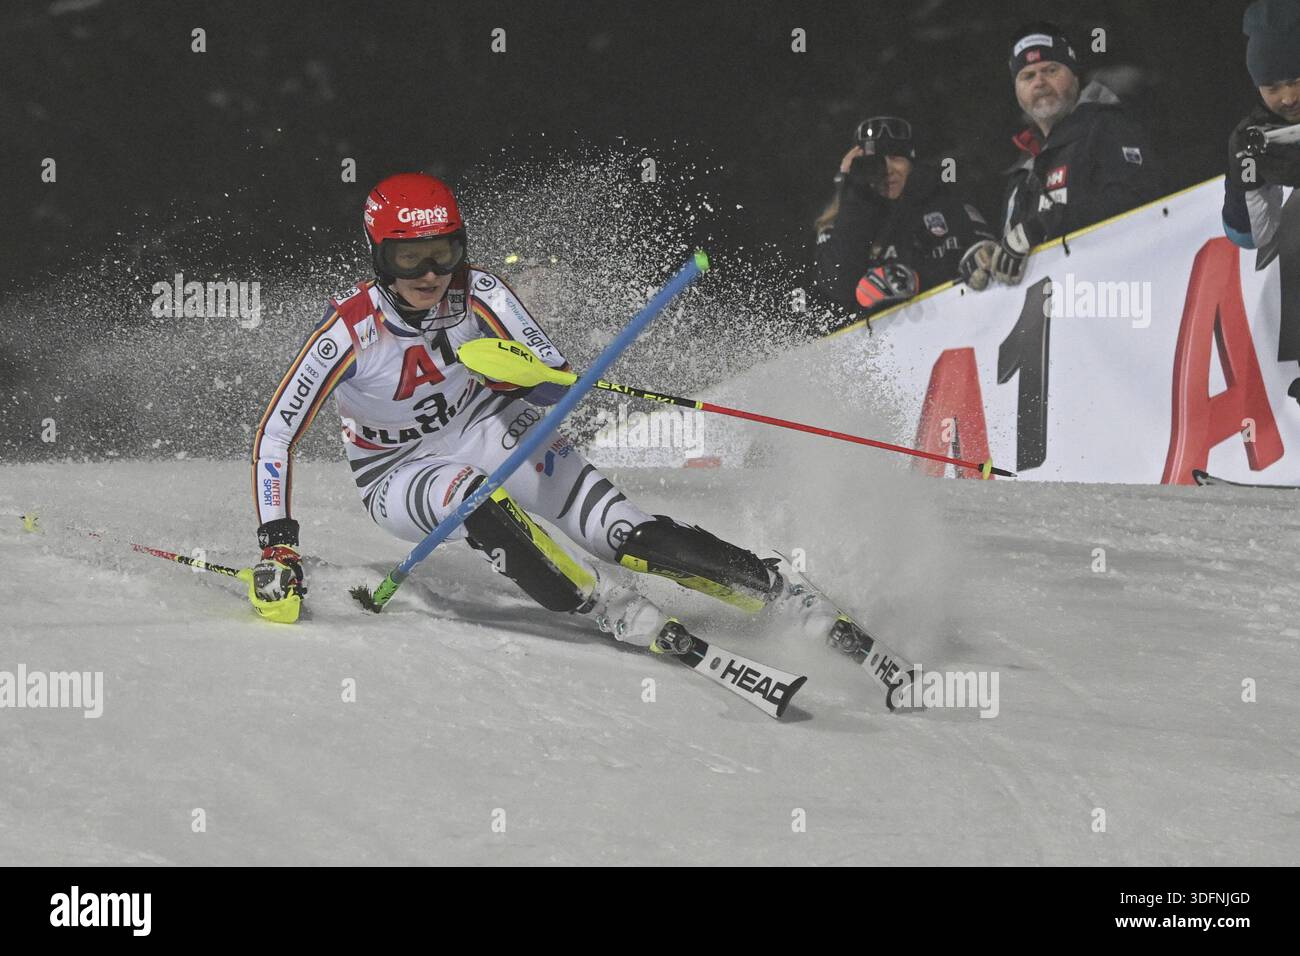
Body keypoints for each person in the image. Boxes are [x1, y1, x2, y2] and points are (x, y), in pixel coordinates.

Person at [248, 172, 871, 659]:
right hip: (397, 471)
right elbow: (278, 432)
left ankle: (772, 588)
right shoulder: (347, 333)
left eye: (444, 253)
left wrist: (521, 373)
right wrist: (278, 546)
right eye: (408, 259)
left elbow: (552, 379)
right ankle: (602, 603)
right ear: (378, 257)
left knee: (623, 533)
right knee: (473, 498)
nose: (431, 274)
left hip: (486, 428)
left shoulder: (480, 292)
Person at [969, 22, 1164, 289]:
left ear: (1074, 77)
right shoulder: (1021, 173)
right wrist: (991, 257)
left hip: (1120, 296)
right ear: (1017, 92)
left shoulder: (1106, 127)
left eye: (1051, 70)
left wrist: (1042, 226)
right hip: (1060, 319)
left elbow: (1139, 200)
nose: (1039, 82)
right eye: (1028, 76)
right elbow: (1016, 244)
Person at [811, 116, 996, 319]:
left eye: (896, 157)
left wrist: (917, 280)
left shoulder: (945, 203)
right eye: (876, 163)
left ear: (911, 163)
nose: (888, 169)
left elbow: (985, 261)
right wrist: (853, 189)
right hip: (873, 344)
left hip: (952, 327)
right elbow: (837, 286)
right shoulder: (839, 221)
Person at [1222, 0, 1300, 253]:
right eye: (1272, 88)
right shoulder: (1256, 134)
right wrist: (1242, 182)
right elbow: (1252, 238)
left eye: (1296, 81)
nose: (1288, 98)